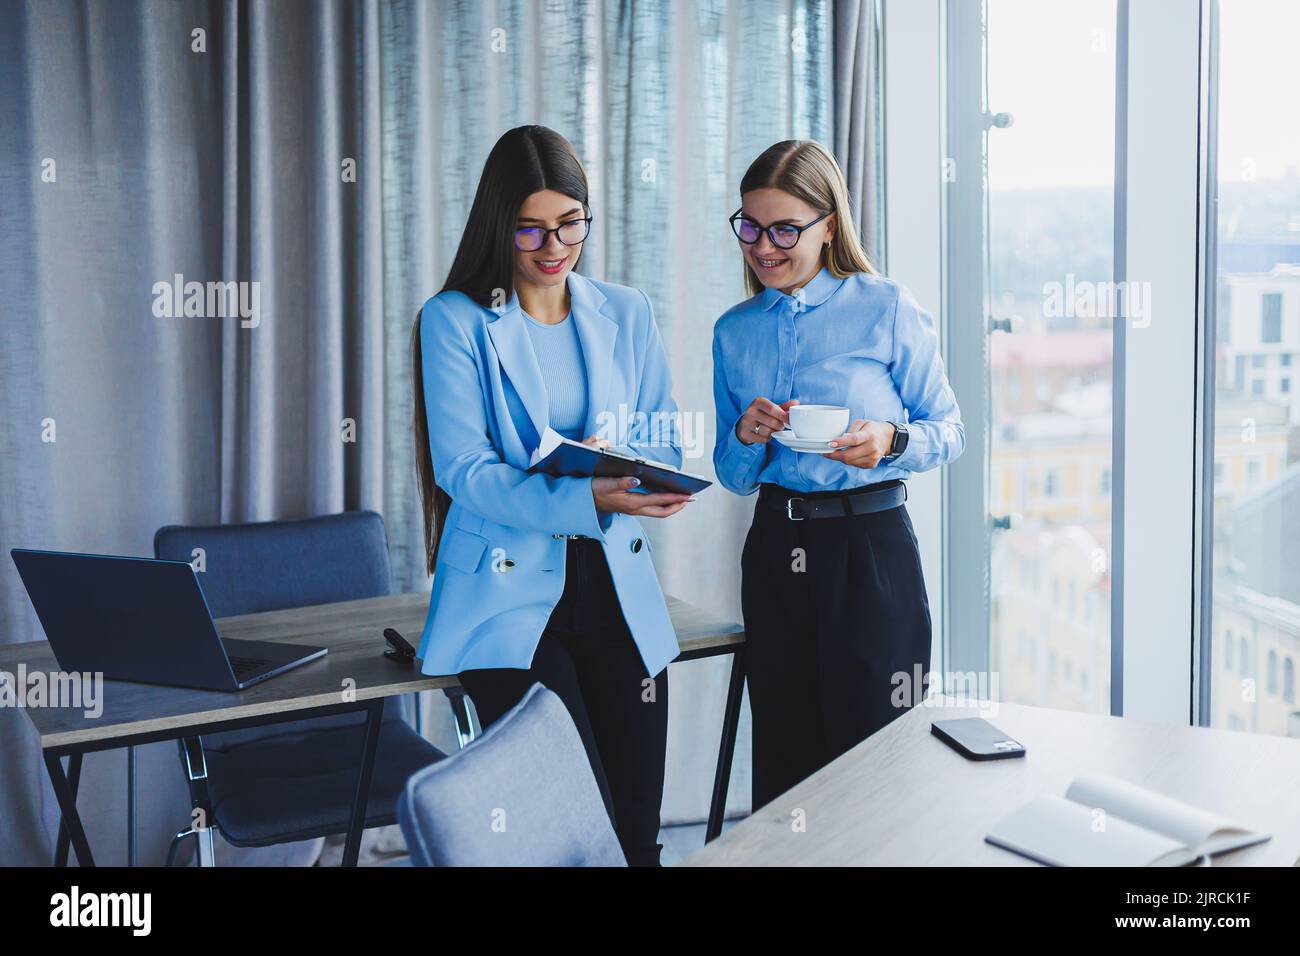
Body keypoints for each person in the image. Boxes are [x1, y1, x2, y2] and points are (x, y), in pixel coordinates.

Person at [412, 125, 691, 865]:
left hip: (616, 593)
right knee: (565, 839)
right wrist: (588, 496)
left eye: (571, 224)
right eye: (531, 228)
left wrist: (630, 467)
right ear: (499, 225)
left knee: (633, 839)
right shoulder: (455, 320)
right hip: (509, 608)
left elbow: (665, 441)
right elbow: (464, 470)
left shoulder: (625, 311)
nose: (554, 246)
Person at [712, 139, 965, 810]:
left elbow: (950, 430)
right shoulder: (733, 331)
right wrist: (745, 435)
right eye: (750, 226)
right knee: (787, 763)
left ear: (828, 225)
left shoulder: (884, 306)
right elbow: (733, 476)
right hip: (775, 549)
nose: (763, 246)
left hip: (870, 553)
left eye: (784, 229)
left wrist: (889, 439)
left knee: (875, 760)